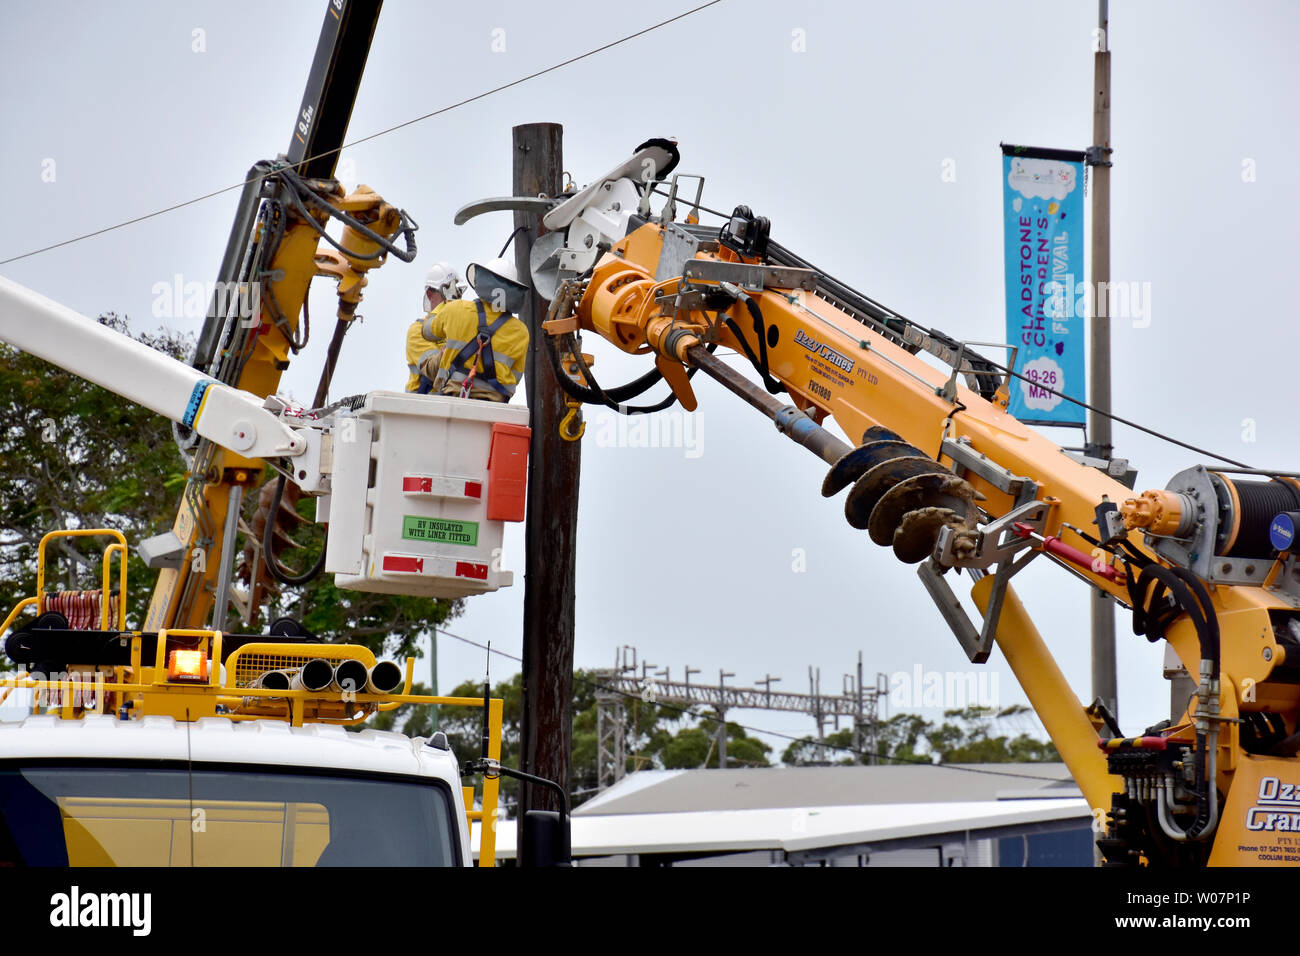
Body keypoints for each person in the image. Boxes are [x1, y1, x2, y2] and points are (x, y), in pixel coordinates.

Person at [417, 257, 530, 403]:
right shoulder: (521, 332)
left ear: (483, 281)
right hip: (495, 409)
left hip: (453, 400)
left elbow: (427, 330)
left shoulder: (456, 309)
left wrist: (447, 301)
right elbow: (514, 378)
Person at [405, 261, 465, 394]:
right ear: (430, 295)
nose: (452, 300)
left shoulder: (463, 328)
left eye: (457, 293)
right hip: (419, 408)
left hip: (451, 407)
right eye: (447, 293)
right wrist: (451, 350)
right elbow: (433, 371)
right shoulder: (418, 331)